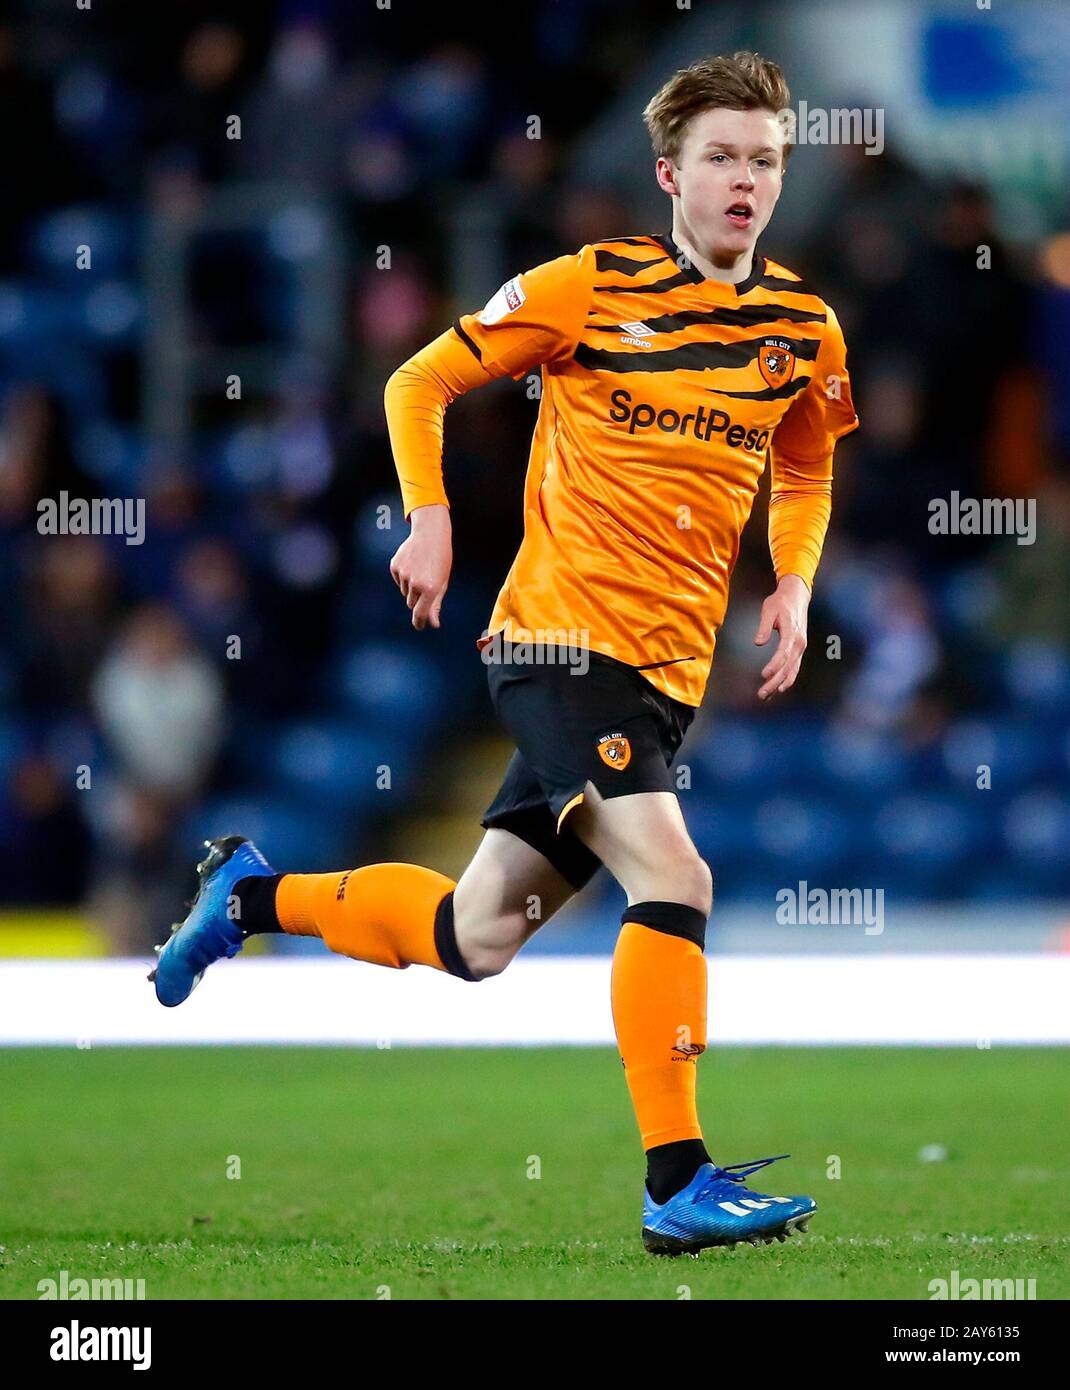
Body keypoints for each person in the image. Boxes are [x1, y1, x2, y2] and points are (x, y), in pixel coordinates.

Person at [151, 50, 858, 1257]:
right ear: (668, 175)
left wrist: (791, 580)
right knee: (674, 878)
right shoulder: (586, 287)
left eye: (764, 161)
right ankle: (676, 1179)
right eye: (720, 159)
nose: (744, 181)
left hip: (665, 672)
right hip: (559, 641)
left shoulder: (802, 326)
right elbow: (418, 380)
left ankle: (248, 893)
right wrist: (427, 517)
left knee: (474, 937)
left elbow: (803, 463)